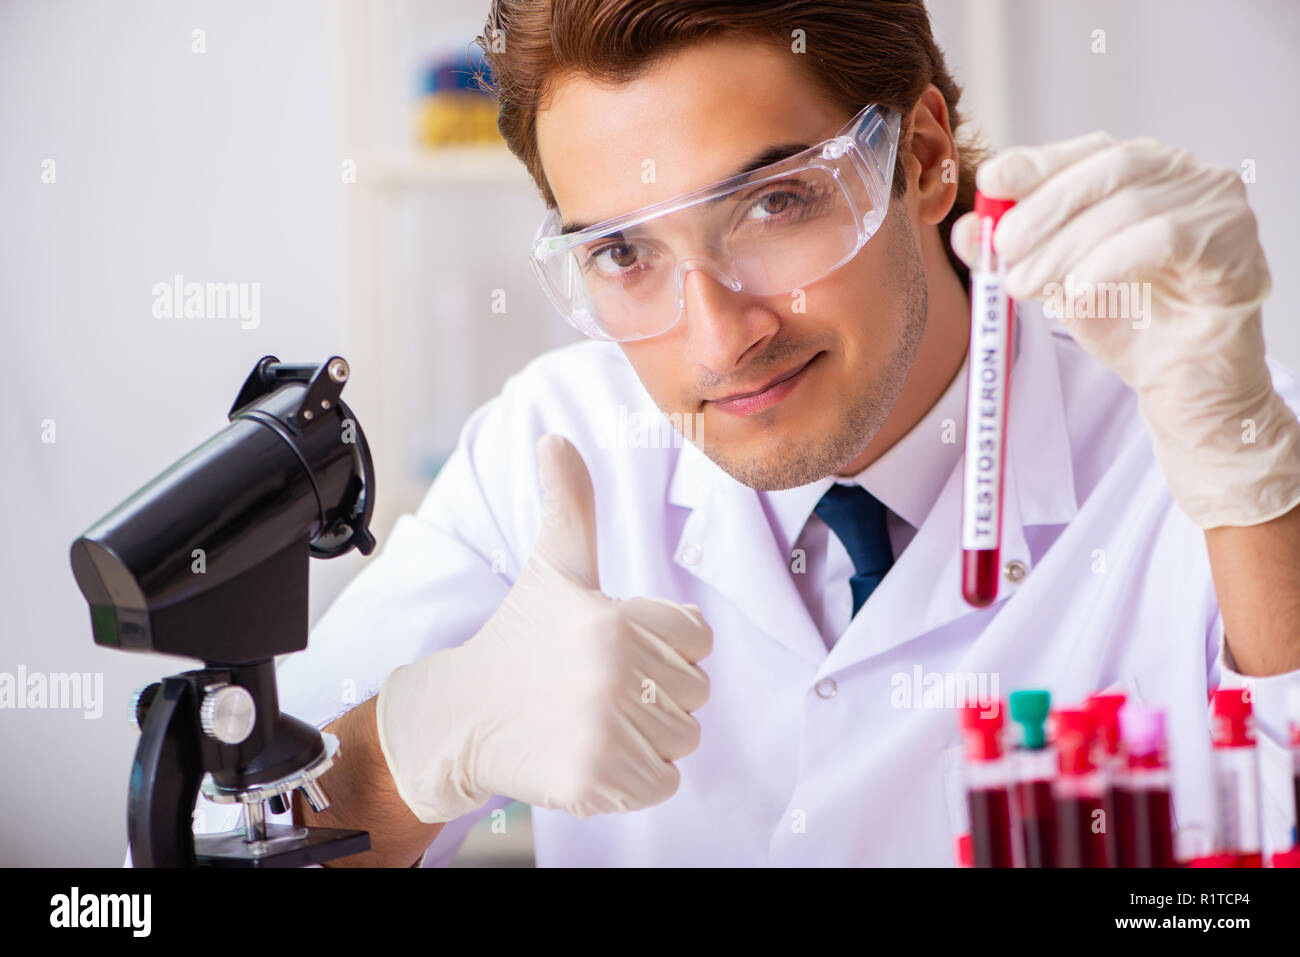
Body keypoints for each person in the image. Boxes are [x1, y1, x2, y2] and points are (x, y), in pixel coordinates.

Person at [157, 0, 1300, 867]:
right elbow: (184, 854)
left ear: (920, 156)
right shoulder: (552, 453)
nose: (716, 339)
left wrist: (1253, 495)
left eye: (776, 202)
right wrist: (413, 750)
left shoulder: (1205, 430)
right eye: (623, 254)